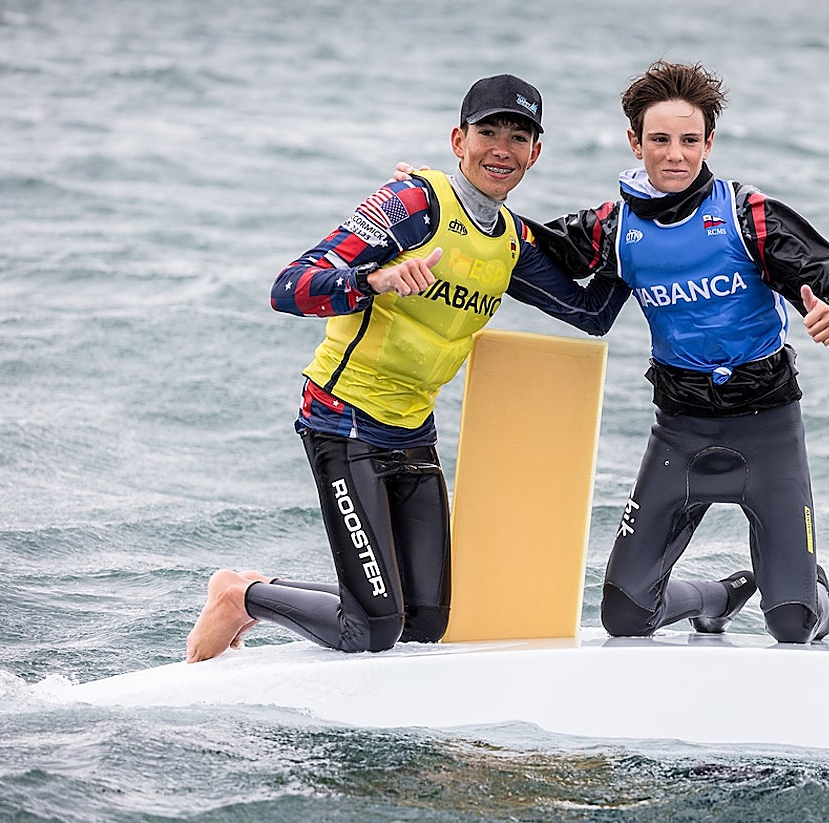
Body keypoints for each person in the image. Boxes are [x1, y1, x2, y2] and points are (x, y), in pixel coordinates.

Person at [185, 74, 630, 662]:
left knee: (423, 622)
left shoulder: (513, 242)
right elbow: (288, 288)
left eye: (518, 137)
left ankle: (279, 599)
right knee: (371, 631)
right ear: (457, 139)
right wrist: (371, 281)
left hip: (413, 432)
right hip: (344, 419)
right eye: (487, 131)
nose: (502, 147)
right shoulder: (410, 206)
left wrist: (647, 232)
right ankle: (241, 595)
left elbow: (591, 311)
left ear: (535, 154)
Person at [529, 61, 829, 643]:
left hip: (768, 432)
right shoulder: (612, 229)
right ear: (634, 142)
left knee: (792, 623)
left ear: (708, 142)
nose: (674, 155)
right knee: (625, 617)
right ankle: (716, 597)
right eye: (659, 140)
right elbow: (519, 244)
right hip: (680, 434)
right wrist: (441, 201)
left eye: (689, 140)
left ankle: (812, 589)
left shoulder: (750, 217)